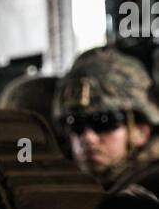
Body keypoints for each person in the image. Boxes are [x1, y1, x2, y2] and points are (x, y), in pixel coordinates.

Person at [53, 47, 159, 197]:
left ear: (141, 131)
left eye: (103, 122)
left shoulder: (152, 186)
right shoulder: (67, 187)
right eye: (75, 124)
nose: (88, 138)